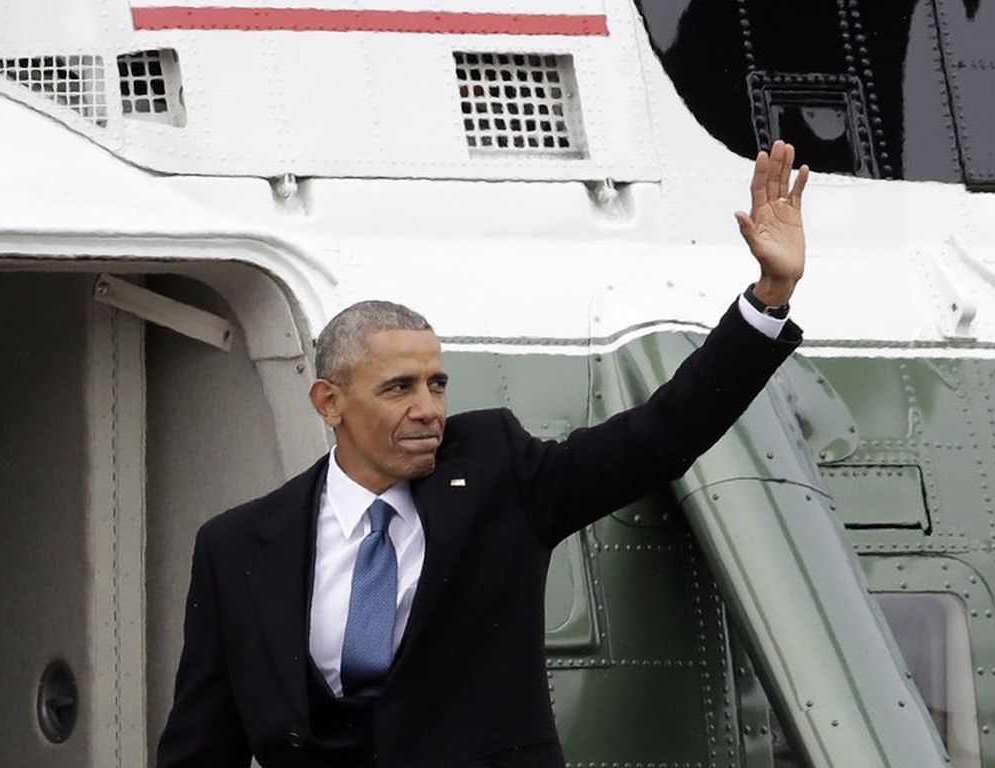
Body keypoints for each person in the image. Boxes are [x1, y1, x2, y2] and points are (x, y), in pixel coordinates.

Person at [156, 141, 810, 767]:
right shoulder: (236, 546)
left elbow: (657, 438)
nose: (428, 409)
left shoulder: (498, 471)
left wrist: (769, 298)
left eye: (436, 383)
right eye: (399, 388)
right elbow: (200, 746)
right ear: (330, 403)